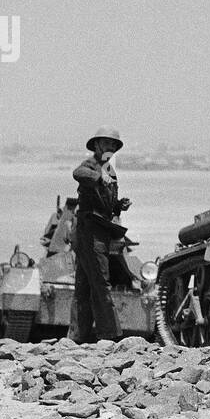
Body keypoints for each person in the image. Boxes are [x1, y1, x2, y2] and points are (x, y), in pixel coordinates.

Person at [71, 126, 131, 343]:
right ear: (96, 145)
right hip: (89, 230)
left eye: (113, 145)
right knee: (101, 282)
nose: (111, 148)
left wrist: (118, 205)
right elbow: (77, 173)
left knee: (84, 285)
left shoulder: (110, 170)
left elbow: (105, 203)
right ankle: (109, 334)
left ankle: (78, 335)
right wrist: (98, 177)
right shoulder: (92, 165)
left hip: (100, 230)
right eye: (106, 144)